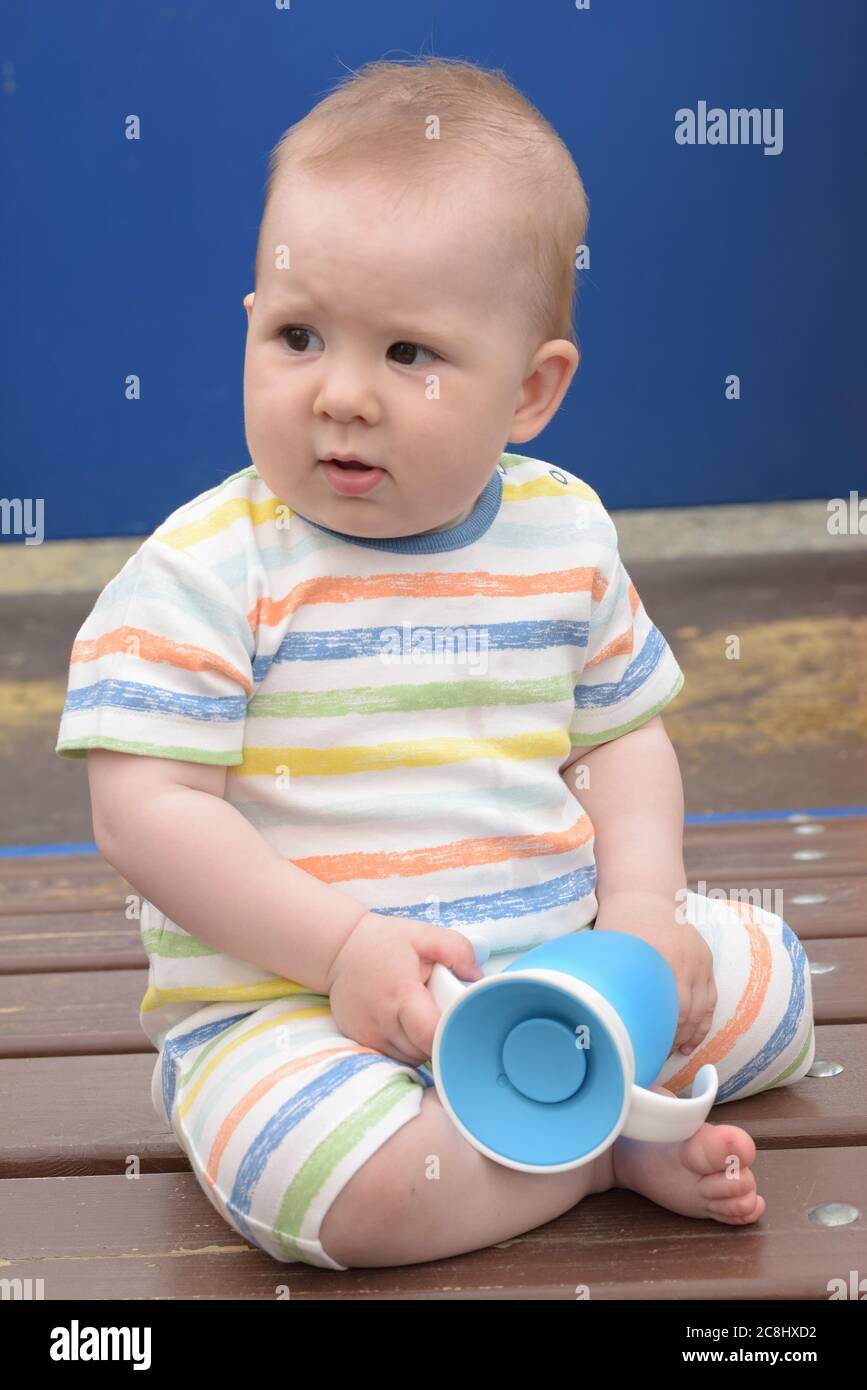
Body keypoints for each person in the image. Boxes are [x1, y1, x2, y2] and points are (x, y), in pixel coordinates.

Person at [55, 57, 815, 1270]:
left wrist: (640, 918)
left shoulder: (562, 531)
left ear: (531, 389)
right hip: (305, 1009)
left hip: (558, 968)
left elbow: (624, 737)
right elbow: (143, 812)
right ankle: (605, 1139)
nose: (343, 396)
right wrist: (343, 949)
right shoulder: (209, 566)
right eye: (300, 336)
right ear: (250, 321)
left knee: (774, 983)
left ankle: (564, 1101)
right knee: (342, 1190)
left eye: (409, 353)